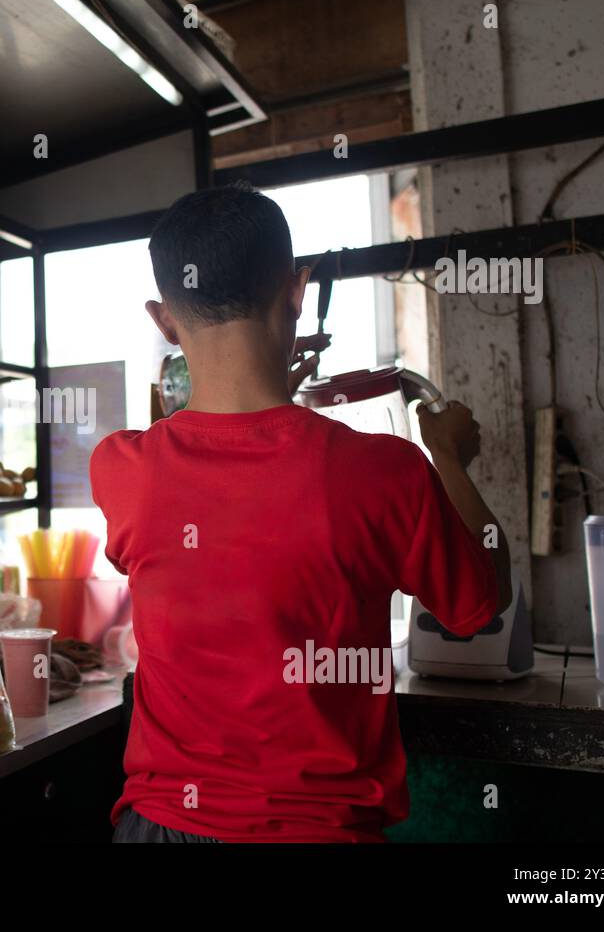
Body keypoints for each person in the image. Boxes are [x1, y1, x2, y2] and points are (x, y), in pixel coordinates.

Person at [90, 184, 512, 843]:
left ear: (164, 321)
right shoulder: (386, 472)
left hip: (161, 825)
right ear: (297, 290)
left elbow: (217, 472)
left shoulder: (122, 469)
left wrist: (267, 394)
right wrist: (449, 459)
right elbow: (479, 604)